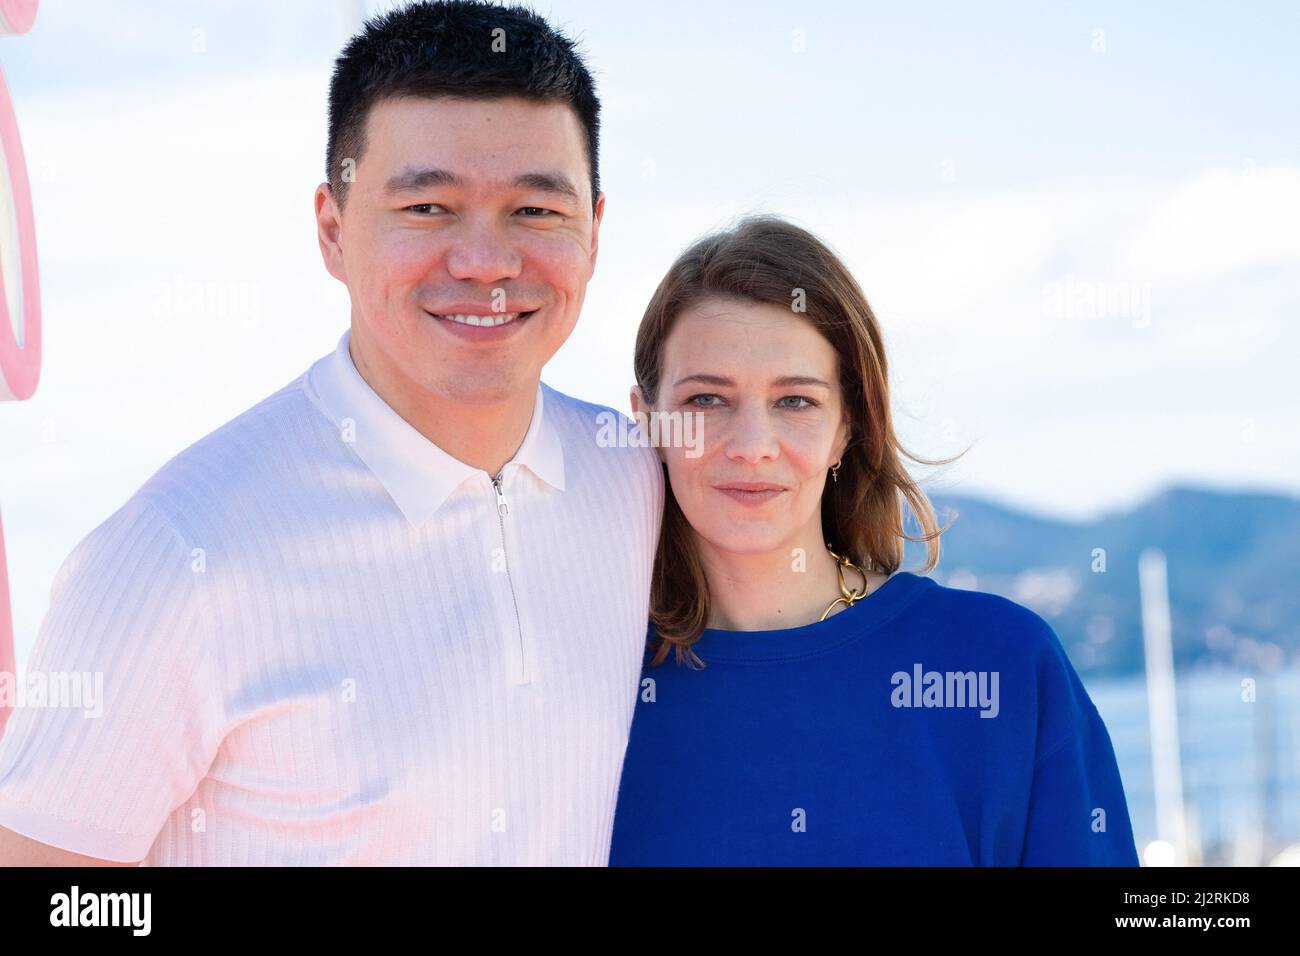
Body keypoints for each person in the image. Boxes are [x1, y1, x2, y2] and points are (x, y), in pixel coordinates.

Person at [0, 0, 662, 865]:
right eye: (427, 207)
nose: (486, 263)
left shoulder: (640, 483)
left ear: (596, 232)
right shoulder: (176, 553)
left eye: (536, 213)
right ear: (331, 229)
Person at [608, 214, 1139, 865]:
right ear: (647, 423)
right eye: (706, 401)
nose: (751, 447)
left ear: (847, 429)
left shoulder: (998, 665)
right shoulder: (590, 687)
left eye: (795, 401)